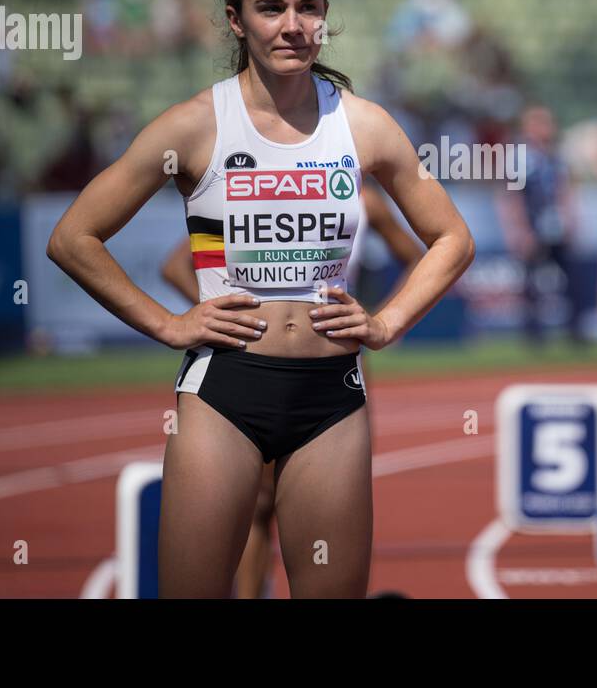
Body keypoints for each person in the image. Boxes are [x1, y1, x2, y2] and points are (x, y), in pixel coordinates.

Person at [47, 0, 475, 597]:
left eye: (309, 7)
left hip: (331, 399)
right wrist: (168, 324)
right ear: (234, 19)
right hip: (225, 392)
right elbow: (74, 237)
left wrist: (386, 325)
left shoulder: (363, 126)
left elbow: (452, 239)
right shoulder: (194, 126)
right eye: (271, 7)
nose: (293, 26)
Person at [158, 179, 422, 598]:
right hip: (248, 363)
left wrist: (384, 319)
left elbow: (415, 255)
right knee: (259, 505)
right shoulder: (263, 189)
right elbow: (174, 265)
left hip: (335, 364)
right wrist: (227, 316)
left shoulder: (366, 201)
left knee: (322, 510)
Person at [497, 103, 584, 345]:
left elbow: (564, 189)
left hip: (556, 227)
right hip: (533, 227)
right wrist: (520, 229)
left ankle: (575, 330)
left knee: (572, 279)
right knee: (531, 284)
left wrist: (570, 219)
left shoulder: (555, 155)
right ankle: (533, 334)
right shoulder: (520, 157)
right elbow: (512, 196)